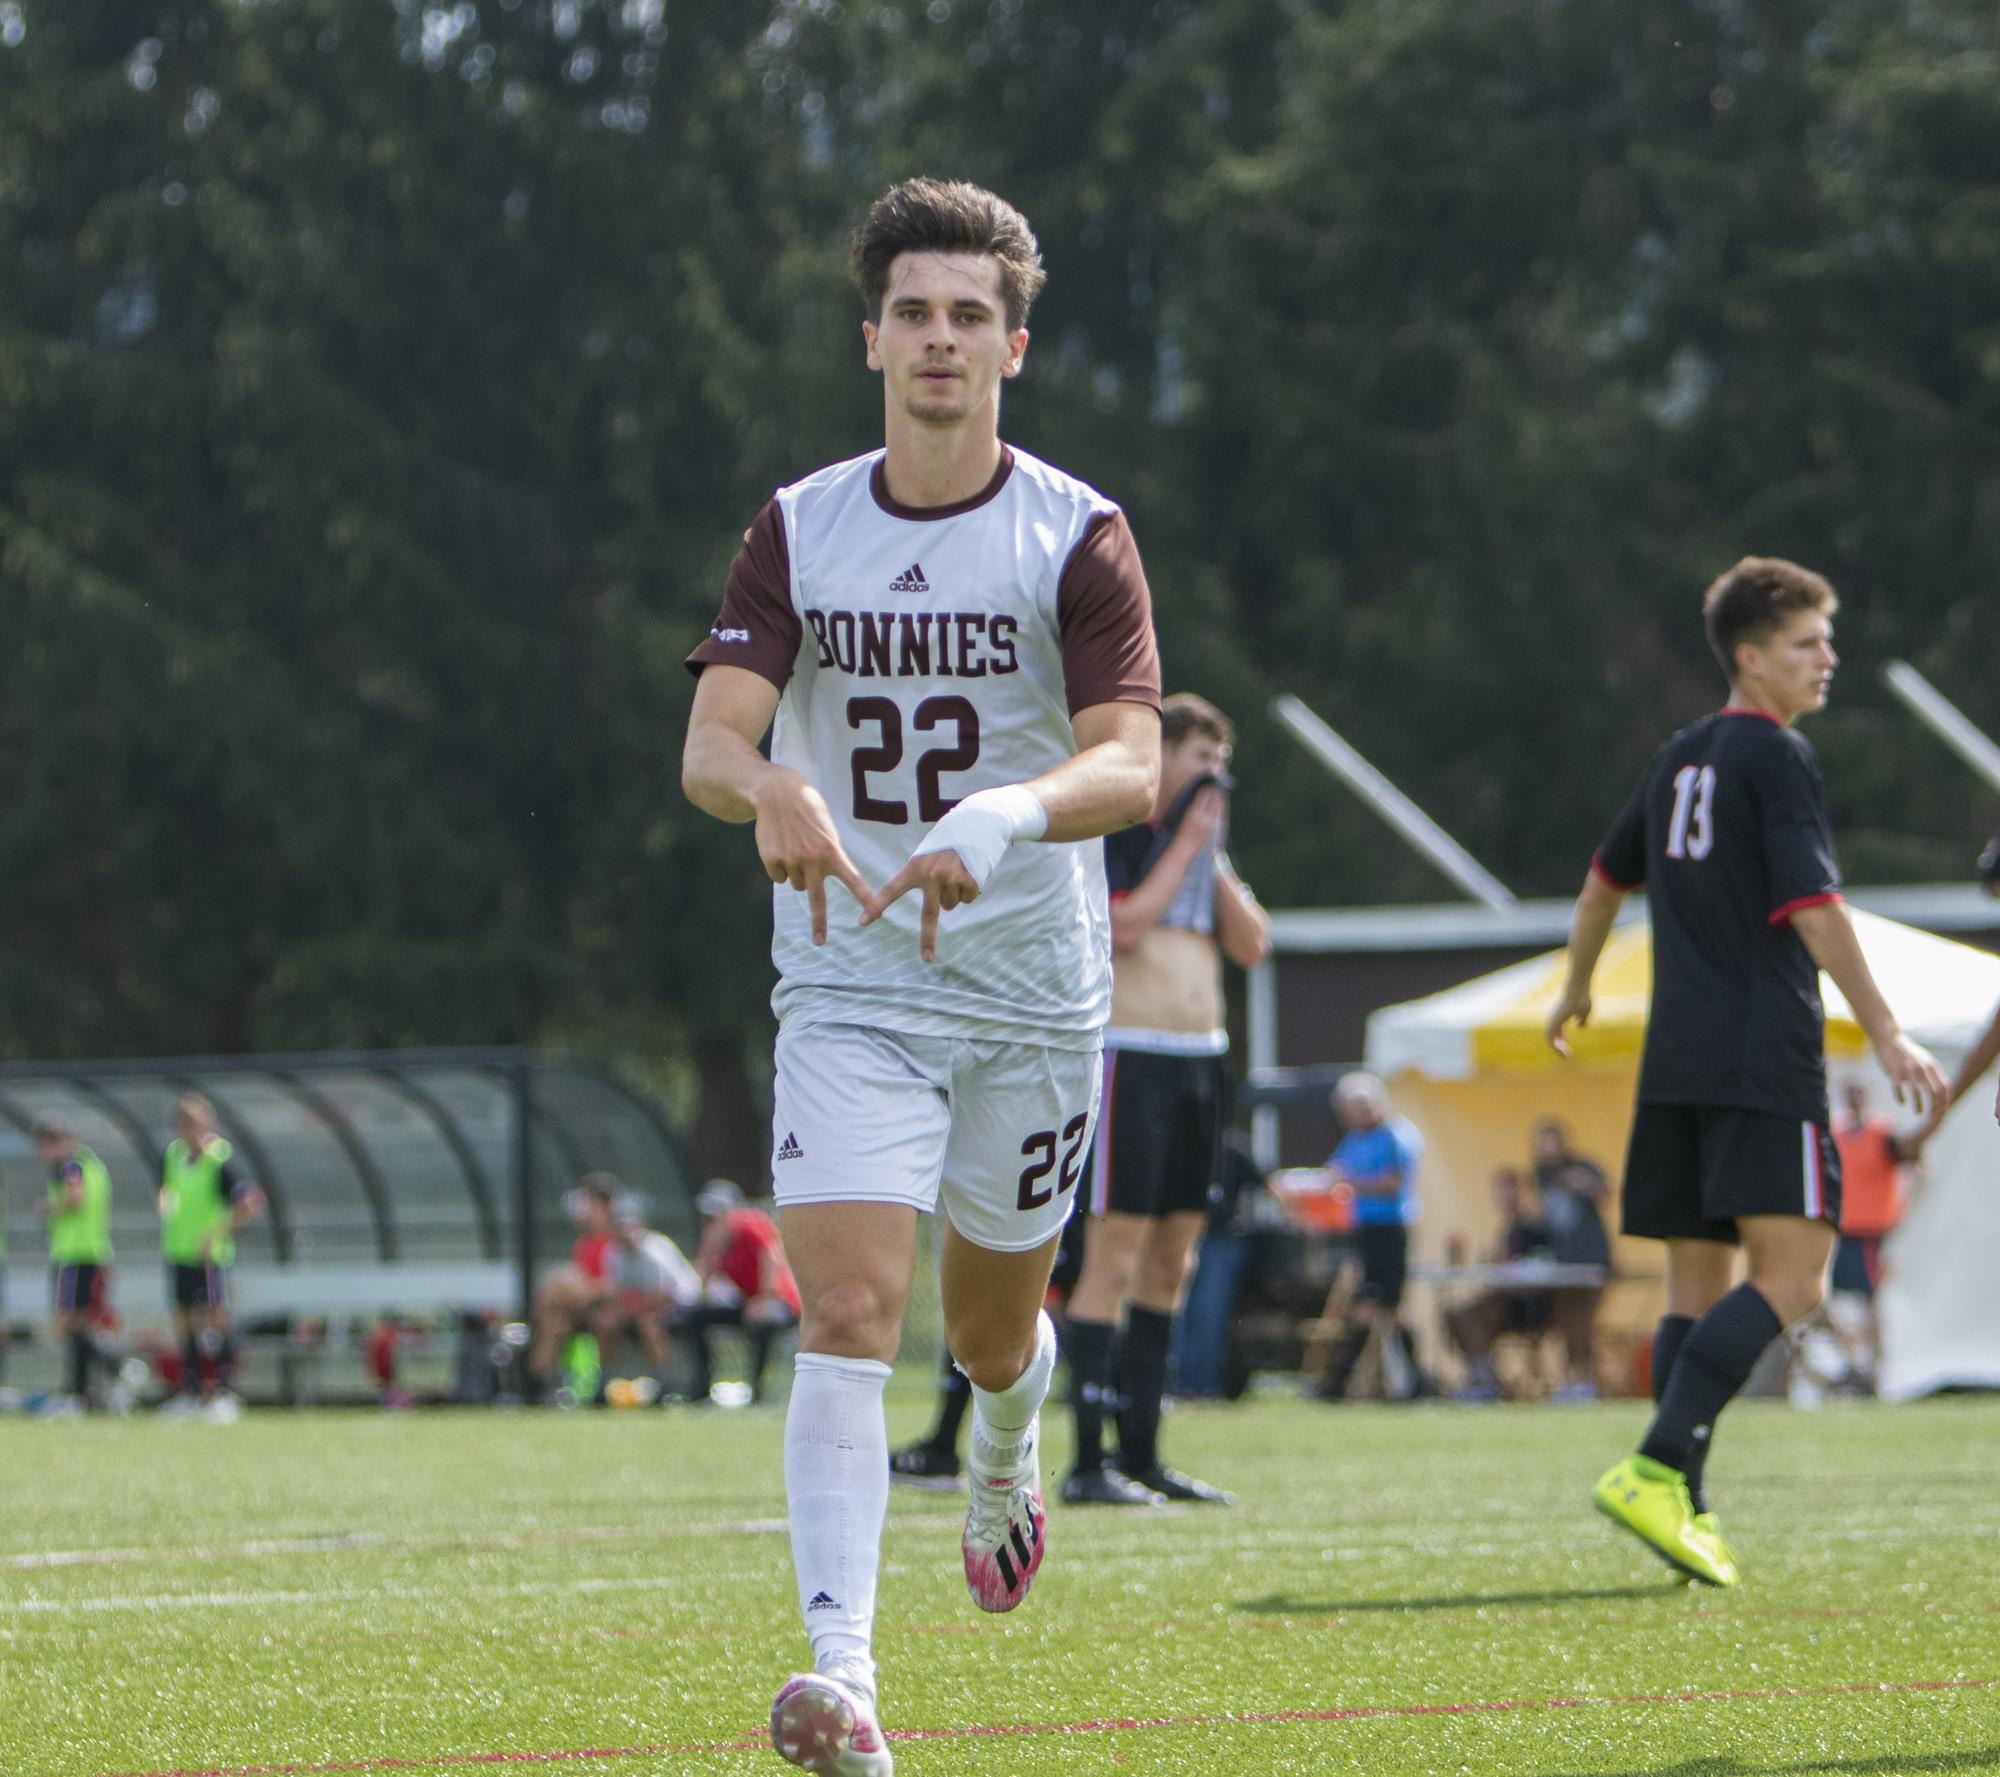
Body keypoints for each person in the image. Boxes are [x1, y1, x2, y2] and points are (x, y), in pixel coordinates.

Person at [681, 174, 1161, 1774]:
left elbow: (1131, 766)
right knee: (850, 1306)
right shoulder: (798, 524)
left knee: (986, 1334)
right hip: (850, 977)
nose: (939, 339)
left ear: (1012, 347)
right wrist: (772, 792)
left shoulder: (1074, 530)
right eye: (913, 313)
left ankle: (1013, 1446)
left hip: (1029, 986)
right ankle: (847, 1681)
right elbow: (711, 744)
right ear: (869, 335)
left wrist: (1006, 814)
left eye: (970, 316)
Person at [1547, 556, 1946, 1588]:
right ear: (1749, 655)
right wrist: (1886, 1028)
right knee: (1796, 1277)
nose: (1828, 659)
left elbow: (1598, 889)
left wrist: (1573, 990)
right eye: (1808, 641)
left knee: (1698, 1283)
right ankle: (1650, 1467)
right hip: (1761, 1054)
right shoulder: (1776, 758)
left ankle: (1686, 1503)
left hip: (1674, 1056)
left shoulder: (1675, 757)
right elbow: (1814, 910)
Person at [1054, 692, 1268, 1505]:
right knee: (1114, 1253)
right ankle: (1086, 1461)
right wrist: (1184, 841)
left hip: (1199, 1063)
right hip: (1130, 1061)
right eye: (1197, 758)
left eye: (1218, 760)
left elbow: (1252, 943)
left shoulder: (1203, 848)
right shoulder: (1128, 836)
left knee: (1174, 1258)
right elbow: (1129, 925)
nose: (1212, 776)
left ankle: (1144, 1452)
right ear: (1160, 758)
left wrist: (1209, 854)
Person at [1312, 1071, 1424, 1402]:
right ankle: (1408, 1383)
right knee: (1382, 1308)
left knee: (1378, 1307)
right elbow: (1335, 1171)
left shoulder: (1395, 1136)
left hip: (1390, 1230)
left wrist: (1352, 1183)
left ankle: (1342, 1381)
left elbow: (1391, 1184)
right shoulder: (1356, 1137)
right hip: (1365, 1229)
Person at [158, 1093, 264, 1421]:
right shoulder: (174, 1157)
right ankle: (189, 1393)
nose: (192, 1131)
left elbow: (250, 1202)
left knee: (216, 1320)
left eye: (198, 1124)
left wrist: (217, 1233)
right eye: (186, 1124)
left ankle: (223, 1393)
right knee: (185, 1322)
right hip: (179, 1250)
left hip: (210, 1256)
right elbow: (165, 1191)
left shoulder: (220, 1160)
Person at [1826, 1082, 1916, 1390]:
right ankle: (1852, 1362)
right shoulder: (1837, 1133)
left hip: (1871, 1232)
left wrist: (1900, 1212)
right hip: (1842, 1229)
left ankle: (1874, 1370)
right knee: (1827, 1301)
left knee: (1871, 1301)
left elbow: (1917, 1166)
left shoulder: (1883, 1134)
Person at [685, 1179, 801, 1405]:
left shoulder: (749, 1223)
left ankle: (757, 1392)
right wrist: (710, 1250)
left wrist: (763, 1300)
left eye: (717, 1214)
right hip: (749, 1304)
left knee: (763, 1323)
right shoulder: (717, 1241)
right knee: (696, 1318)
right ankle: (702, 1388)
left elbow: (771, 1258)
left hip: (779, 1301)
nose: (711, 1220)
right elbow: (703, 1281)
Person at [1443, 1167, 1552, 1403]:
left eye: (1510, 1190)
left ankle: (1486, 1382)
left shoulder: (1534, 1226)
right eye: (1500, 1191)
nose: (1505, 1197)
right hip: (1502, 1297)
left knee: (1468, 1315)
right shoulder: (1508, 1226)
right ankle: (1482, 1375)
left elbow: (1540, 1265)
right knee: (1454, 1313)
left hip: (1525, 1304)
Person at [35, 1118, 115, 1411]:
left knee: (66, 1324)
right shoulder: (94, 1164)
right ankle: (88, 1390)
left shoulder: (70, 1166)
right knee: (82, 1325)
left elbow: (74, 1199)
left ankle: (85, 1386)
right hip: (94, 1252)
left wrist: (47, 1207)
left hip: (73, 1254)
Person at [1529, 1121, 1612, 1400]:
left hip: (1591, 1261)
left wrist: (1583, 1183)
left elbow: (1607, 1192)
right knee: (1565, 1322)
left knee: (1583, 1323)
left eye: (1551, 1143)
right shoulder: (1541, 1176)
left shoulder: (1581, 1166)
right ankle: (1569, 1381)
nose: (1546, 1150)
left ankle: (1586, 1381)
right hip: (1563, 1263)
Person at [594, 1197, 700, 1403]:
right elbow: (615, 1293)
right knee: (605, 1323)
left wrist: (633, 1311)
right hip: (640, 1306)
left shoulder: (654, 1252)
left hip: (681, 1303)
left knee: (649, 1326)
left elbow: (660, 1297)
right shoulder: (612, 1253)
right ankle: (604, 1381)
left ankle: (664, 1384)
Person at [527, 1176, 620, 1399]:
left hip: (608, 1305)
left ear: (600, 1205)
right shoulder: (585, 1242)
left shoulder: (616, 1239)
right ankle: (543, 1384)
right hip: (581, 1307)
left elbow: (614, 1285)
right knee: (553, 1321)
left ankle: (600, 1386)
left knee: (556, 1286)